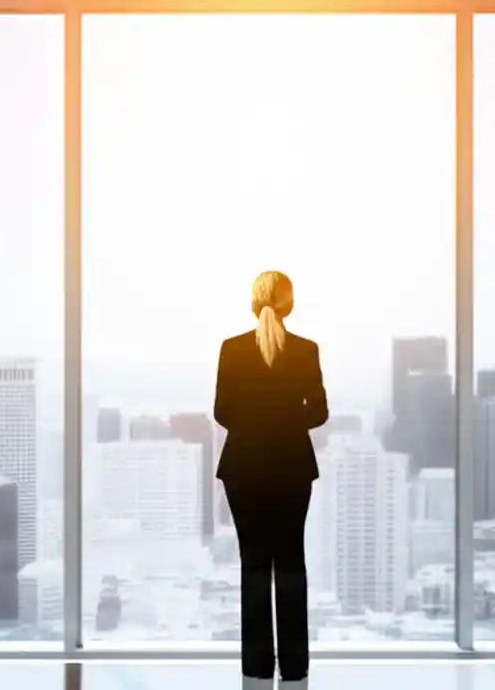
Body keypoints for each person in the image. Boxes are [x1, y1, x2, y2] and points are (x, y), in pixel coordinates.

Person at [214, 270, 328, 682]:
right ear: (289, 304)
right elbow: (318, 412)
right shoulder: (306, 350)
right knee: (291, 562)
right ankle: (295, 667)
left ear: (253, 301)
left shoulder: (231, 349)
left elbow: (222, 412)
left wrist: (257, 420)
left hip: (243, 468)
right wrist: (283, 419)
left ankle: (257, 666)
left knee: (254, 564)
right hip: (292, 467)